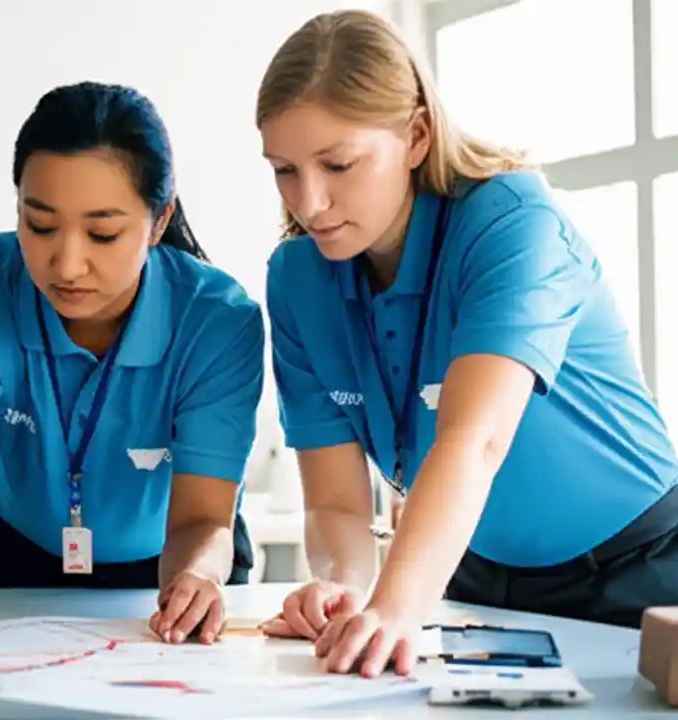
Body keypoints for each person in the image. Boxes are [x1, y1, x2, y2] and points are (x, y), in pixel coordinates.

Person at [255, 9, 678, 677]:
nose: (309, 203)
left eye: (337, 164)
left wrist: (396, 604)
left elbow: (473, 441)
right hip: (473, 574)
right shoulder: (294, 278)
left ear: (416, 135)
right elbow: (337, 502)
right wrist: (345, 587)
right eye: (284, 170)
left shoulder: (514, 223)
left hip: (636, 570)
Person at [0, 81, 264, 644]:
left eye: (102, 233)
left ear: (159, 221)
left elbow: (202, 518)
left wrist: (197, 577)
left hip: (176, 563)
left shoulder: (217, 319)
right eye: (40, 225)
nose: (67, 263)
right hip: (10, 554)